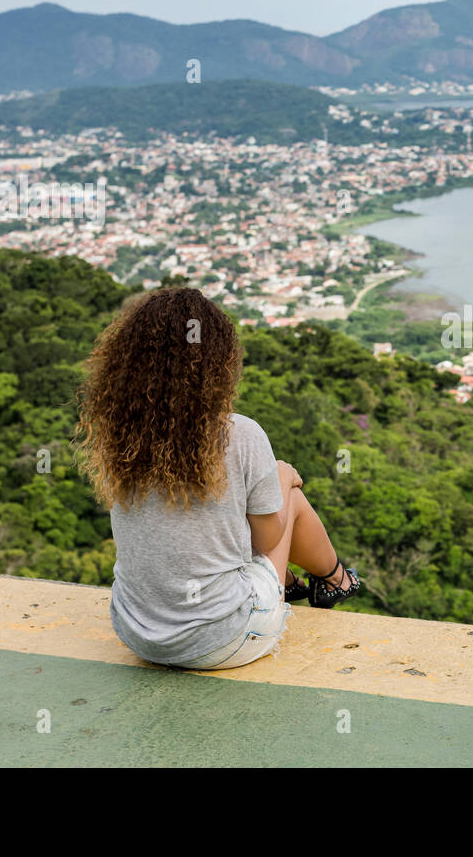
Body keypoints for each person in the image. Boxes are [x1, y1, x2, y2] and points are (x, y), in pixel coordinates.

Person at [74, 287, 360, 670]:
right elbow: (269, 539)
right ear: (217, 364)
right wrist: (286, 479)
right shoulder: (240, 433)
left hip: (136, 631)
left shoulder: (118, 434)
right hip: (225, 638)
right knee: (281, 482)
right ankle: (336, 580)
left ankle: (302, 581)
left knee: (238, 501)